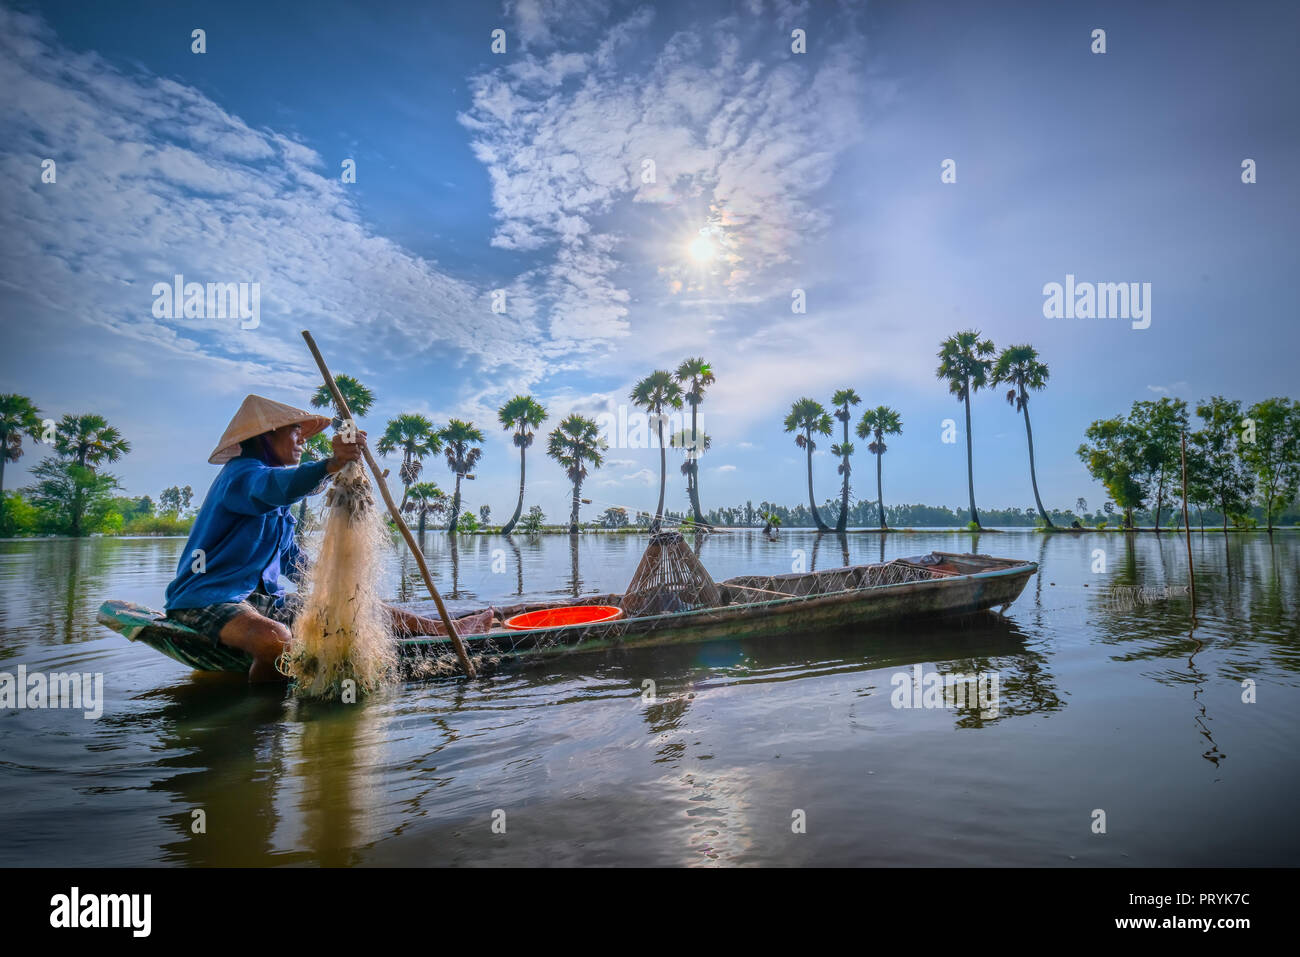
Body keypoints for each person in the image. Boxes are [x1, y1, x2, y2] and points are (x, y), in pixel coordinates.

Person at [165, 395, 490, 682]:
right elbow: (274, 487)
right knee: (276, 640)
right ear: (267, 435)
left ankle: (444, 630)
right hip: (206, 598)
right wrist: (331, 465)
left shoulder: (279, 510)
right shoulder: (241, 476)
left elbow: (294, 563)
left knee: (354, 606)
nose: (301, 441)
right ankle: (263, 721)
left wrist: (337, 588)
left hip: (264, 602)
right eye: (295, 431)